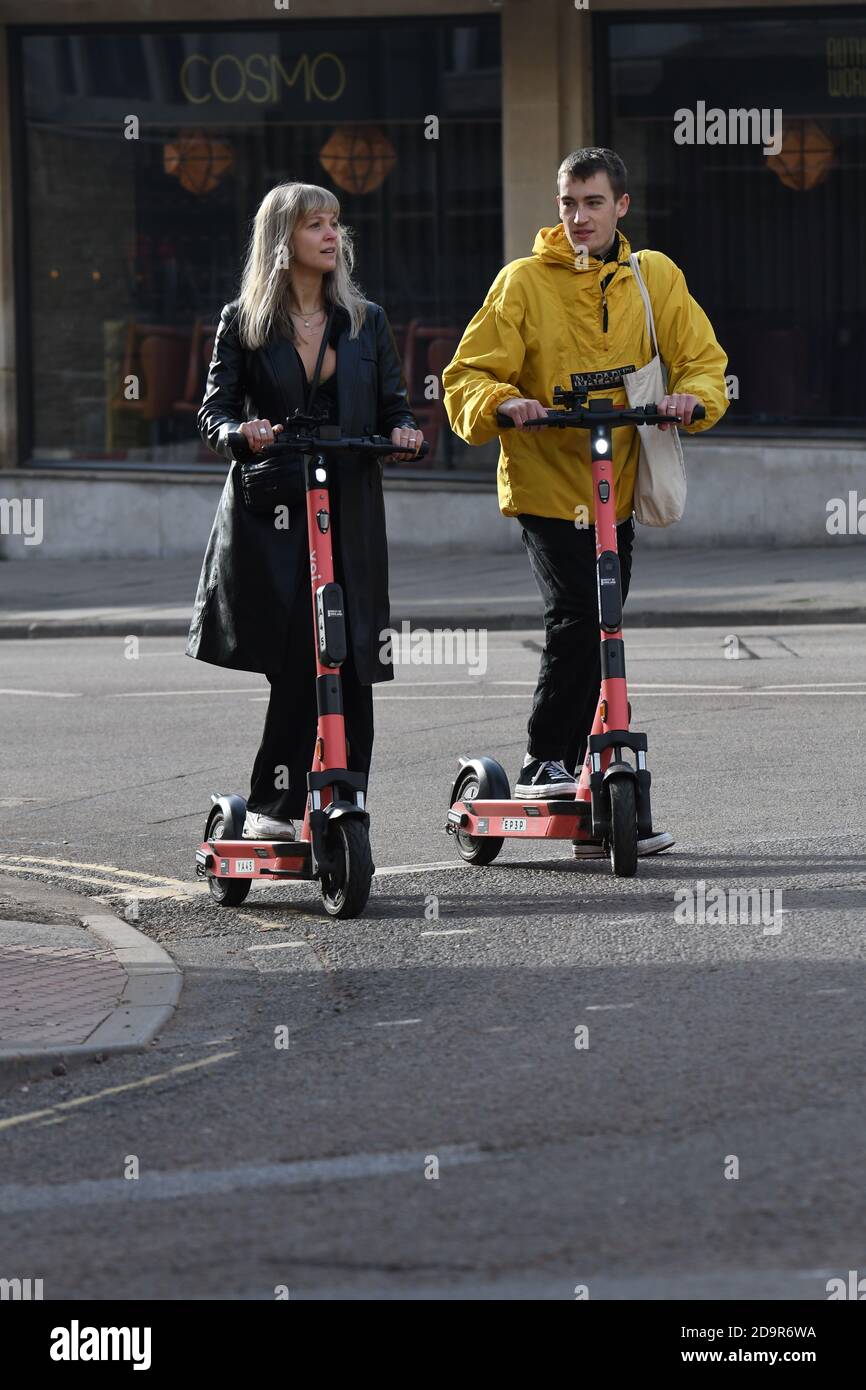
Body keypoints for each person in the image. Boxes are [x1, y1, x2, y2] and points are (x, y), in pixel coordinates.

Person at [442, 147, 729, 853]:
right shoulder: (522, 283)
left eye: (593, 203)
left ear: (621, 206)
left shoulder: (651, 276)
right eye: (568, 204)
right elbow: (468, 374)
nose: (578, 218)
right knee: (577, 615)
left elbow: (702, 359)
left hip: (617, 485)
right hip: (548, 482)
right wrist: (506, 404)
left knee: (607, 622)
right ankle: (548, 756)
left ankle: (597, 777)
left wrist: (693, 399)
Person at [186, 181, 423, 841]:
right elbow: (214, 412)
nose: (331, 235)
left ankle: (345, 803)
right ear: (281, 239)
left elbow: (394, 407)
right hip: (276, 519)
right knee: (298, 659)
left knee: (351, 658)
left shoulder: (365, 320)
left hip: (348, 511)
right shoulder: (245, 322)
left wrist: (404, 435)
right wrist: (242, 434)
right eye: (315, 224)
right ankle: (274, 804)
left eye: (335, 223)